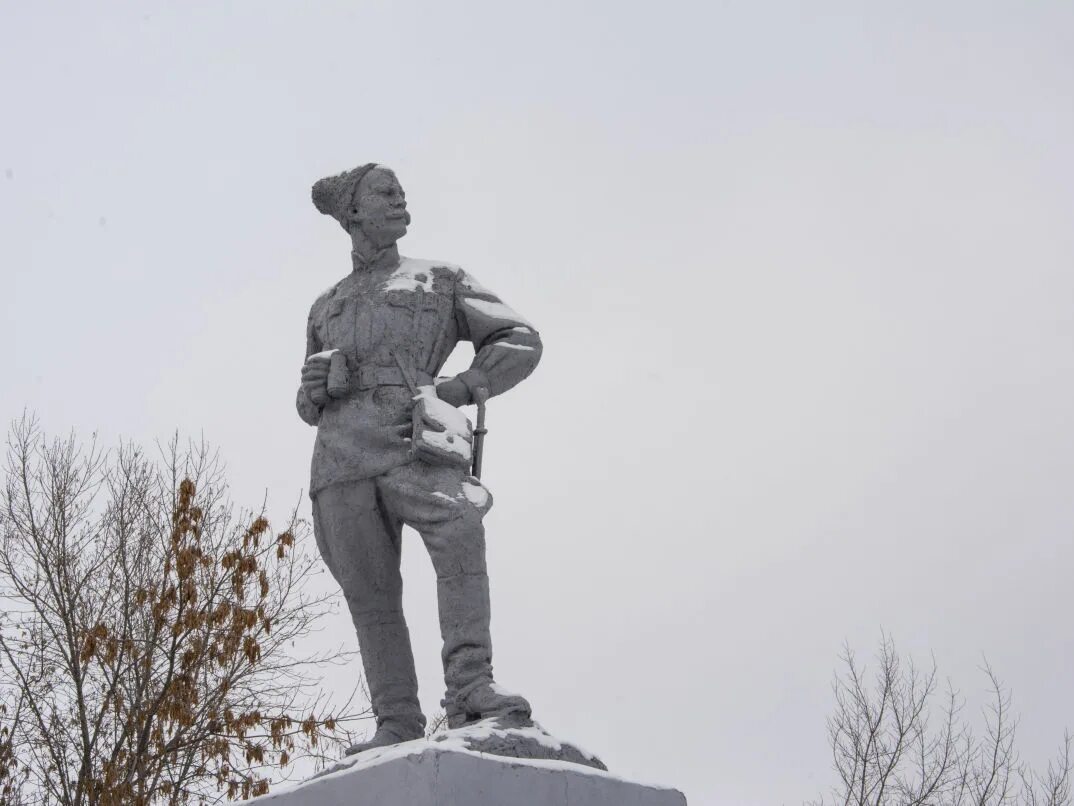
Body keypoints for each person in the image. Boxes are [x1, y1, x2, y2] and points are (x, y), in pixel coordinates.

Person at [297, 163, 542, 754]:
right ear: (353, 212)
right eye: (384, 192)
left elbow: (520, 339)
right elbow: (306, 404)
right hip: (340, 458)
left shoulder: (439, 279)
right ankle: (395, 719)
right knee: (370, 591)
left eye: (399, 191)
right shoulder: (326, 304)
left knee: (460, 535)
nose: (399, 198)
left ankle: (470, 689)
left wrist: (466, 385)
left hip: (417, 438)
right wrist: (316, 386)